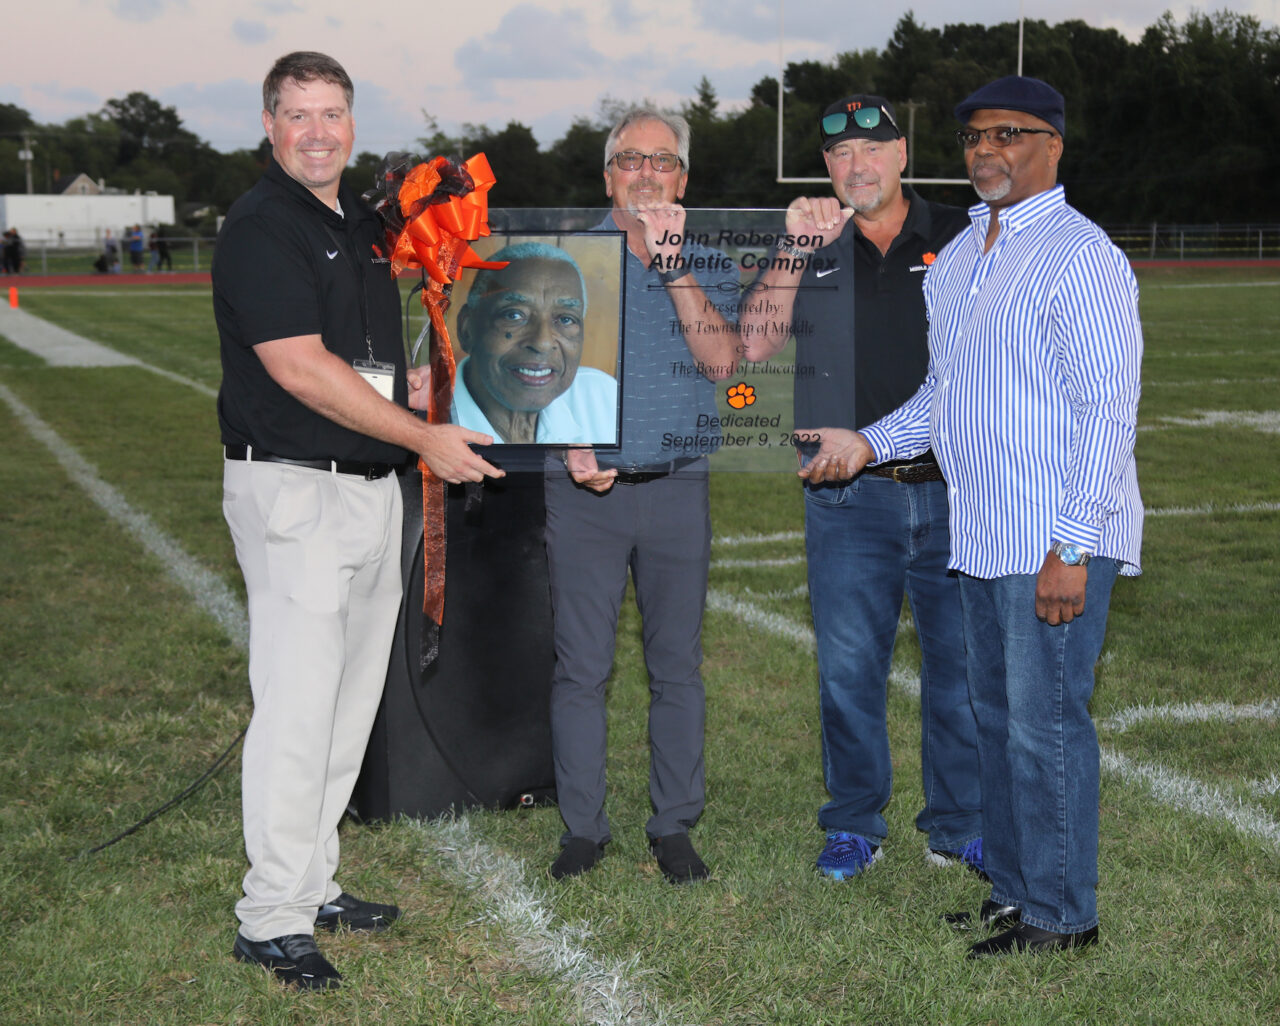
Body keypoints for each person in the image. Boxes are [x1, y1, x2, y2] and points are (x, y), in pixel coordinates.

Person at [802, 76, 1142, 957]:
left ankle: (1061, 918)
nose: (988, 150)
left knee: (1044, 726)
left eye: (1010, 134)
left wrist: (1074, 545)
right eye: (976, 137)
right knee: (997, 721)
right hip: (981, 534)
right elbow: (943, 397)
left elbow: (1109, 412)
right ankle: (1018, 893)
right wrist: (868, 443)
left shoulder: (1080, 253)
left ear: (1053, 144)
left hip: (1051, 538)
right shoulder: (959, 259)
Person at [214, 50, 502, 990]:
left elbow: (360, 362)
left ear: (352, 122)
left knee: (345, 709)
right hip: (297, 490)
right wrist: (424, 436)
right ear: (269, 124)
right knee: (298, 710)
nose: (317, 132)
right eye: (297, 114)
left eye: (331, 113)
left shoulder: (359, 224)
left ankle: (311, 882)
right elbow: (300, 367)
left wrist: (422, 391)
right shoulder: (263, 225)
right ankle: (270, 916)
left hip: (369, 488)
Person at [739, 95, 981, 881]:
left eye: (872, 149)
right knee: (848, 673)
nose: (858, 165)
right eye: (842, 154)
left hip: (957, 489)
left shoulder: (961, 230)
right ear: (825, 167)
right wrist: (793, 249)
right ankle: (853, 824)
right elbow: (754, 344)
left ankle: (960, 824)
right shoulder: (811, 240)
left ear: (902, 153)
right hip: (846, 495)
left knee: (960, 671)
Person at [544, 107, 739, 883]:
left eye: (663, 160)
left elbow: (722, 365)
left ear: (682, 178)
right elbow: (526, 369)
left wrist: (674, 266)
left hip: (676, 486)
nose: (647, 174)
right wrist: (565, 440)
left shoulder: (708, 261)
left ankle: (674, 823)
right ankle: (582, 829)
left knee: (676, 666)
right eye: (631, 159)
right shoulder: (560, 259)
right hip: (581, 493)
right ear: (608, 176)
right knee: (581, 668)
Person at [452, 242, 617, 444]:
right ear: (467, 329)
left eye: (566, 319)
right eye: (513, 315)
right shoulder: (426, 420)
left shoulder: (604, 399)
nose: (542, 343)